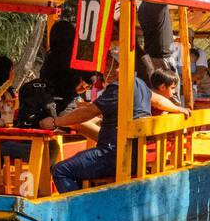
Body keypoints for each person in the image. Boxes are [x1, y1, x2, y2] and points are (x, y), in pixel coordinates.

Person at [45, 52, 188, 192]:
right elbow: (158, 100)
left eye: (108, 67)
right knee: (79, 161)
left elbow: (88, 112)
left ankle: (79, 213)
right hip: (136, 155)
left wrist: (55, 121)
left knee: (61, 170)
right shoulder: (139, 83)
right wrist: (179, 109)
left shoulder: (118, 88)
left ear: (119, 67)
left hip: (114, 155)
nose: (104, 72)